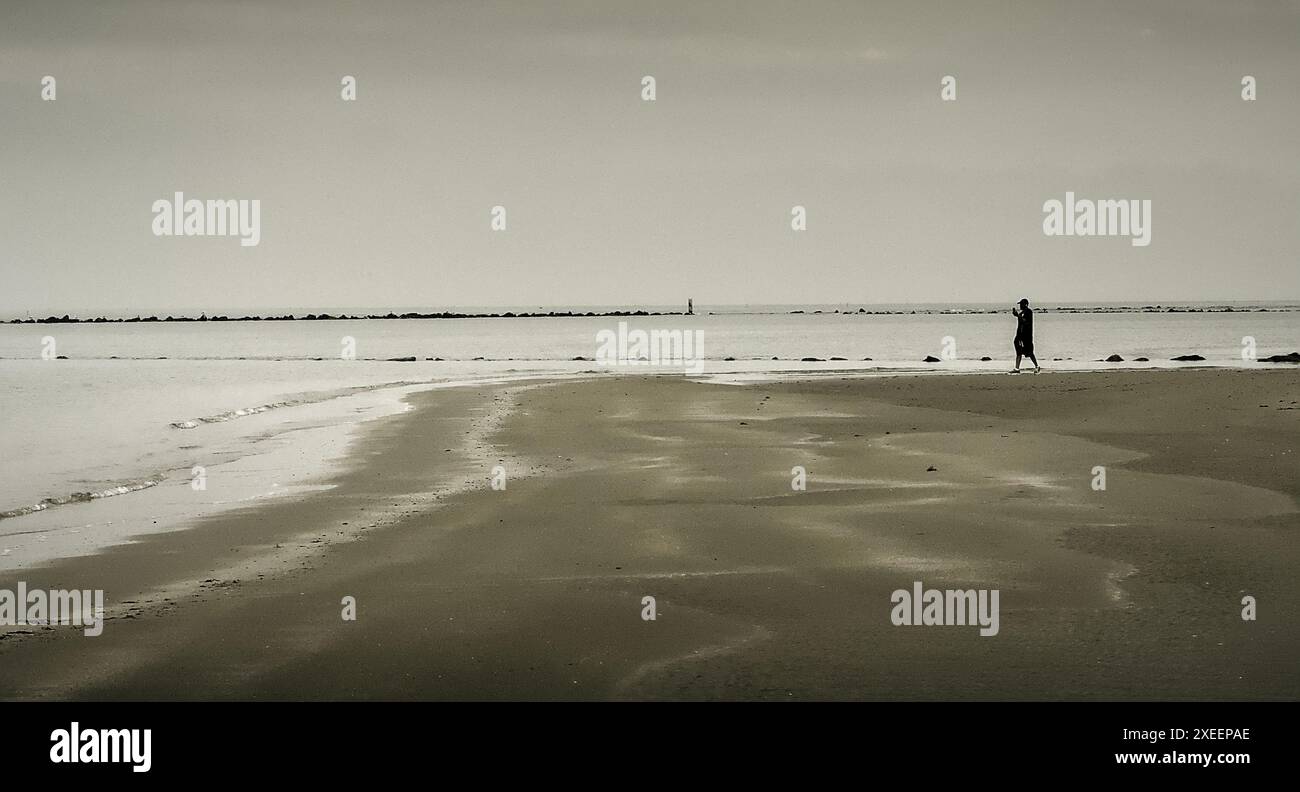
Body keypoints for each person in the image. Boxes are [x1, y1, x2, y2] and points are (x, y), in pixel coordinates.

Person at [1011, 298, 1040, 374]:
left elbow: (1026, 322)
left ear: (1026, 304)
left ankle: (1037, 366)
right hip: (1019, 335)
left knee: (1030, 352)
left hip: (1027, 336)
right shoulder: (1021, 313)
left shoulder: (1029, 312)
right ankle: (1017, 368)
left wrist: (1018, 316)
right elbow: (1020, 323)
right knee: (1019, 351)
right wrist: (1017, 315)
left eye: (1021, 304)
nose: (1020, 306)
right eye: (1020, 304)